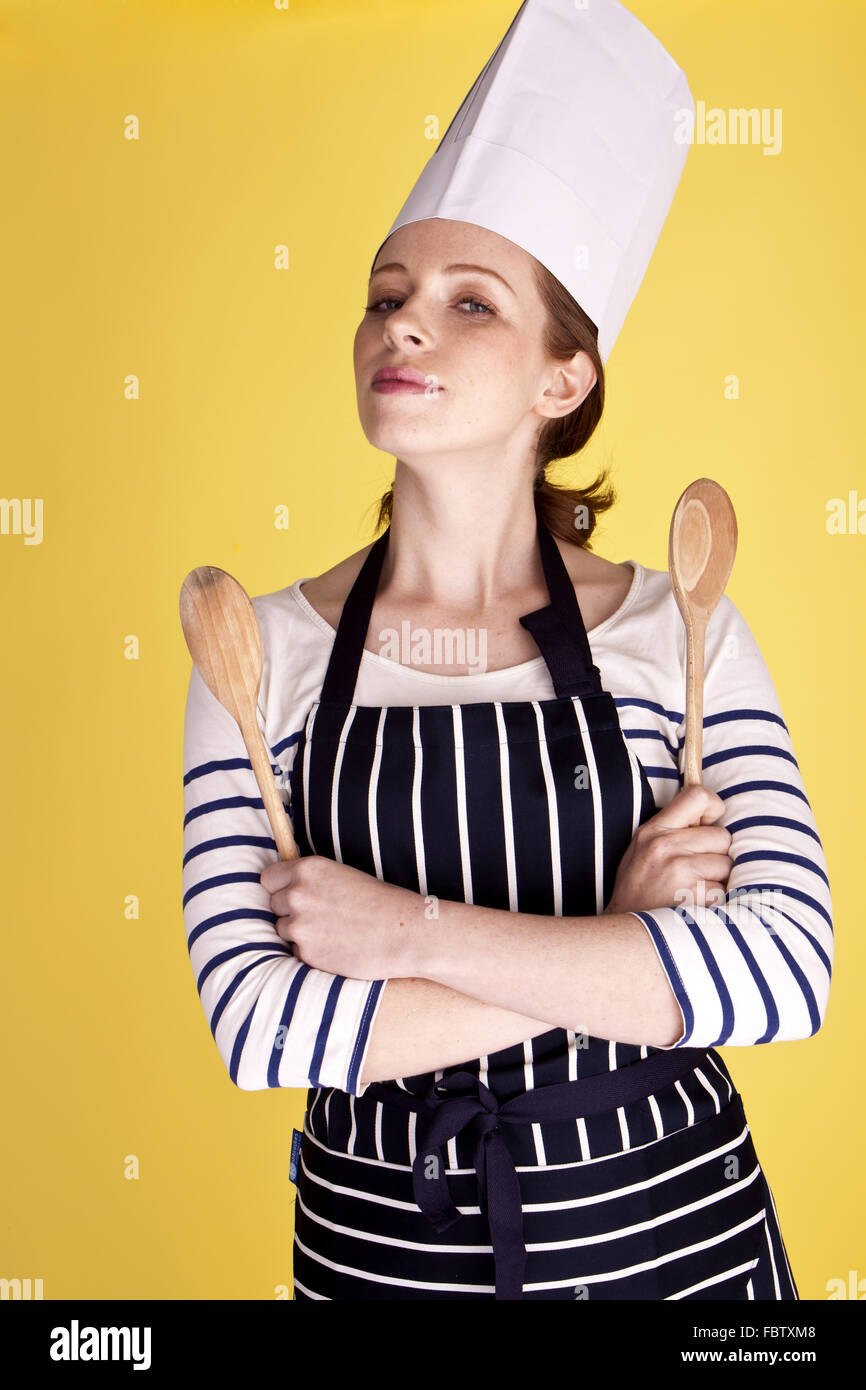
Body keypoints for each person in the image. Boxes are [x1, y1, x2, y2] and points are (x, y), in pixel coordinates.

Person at [181, 0, 833, 1300]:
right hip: (383, 1260)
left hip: (674, 1253)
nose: (400, 326)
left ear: (561, 382)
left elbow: (783, 970)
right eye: (385, 295)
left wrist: (405, 930)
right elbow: (261, 1027)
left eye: (469, 303)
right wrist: (623, 944)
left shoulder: (677, 631)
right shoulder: (256, 648)